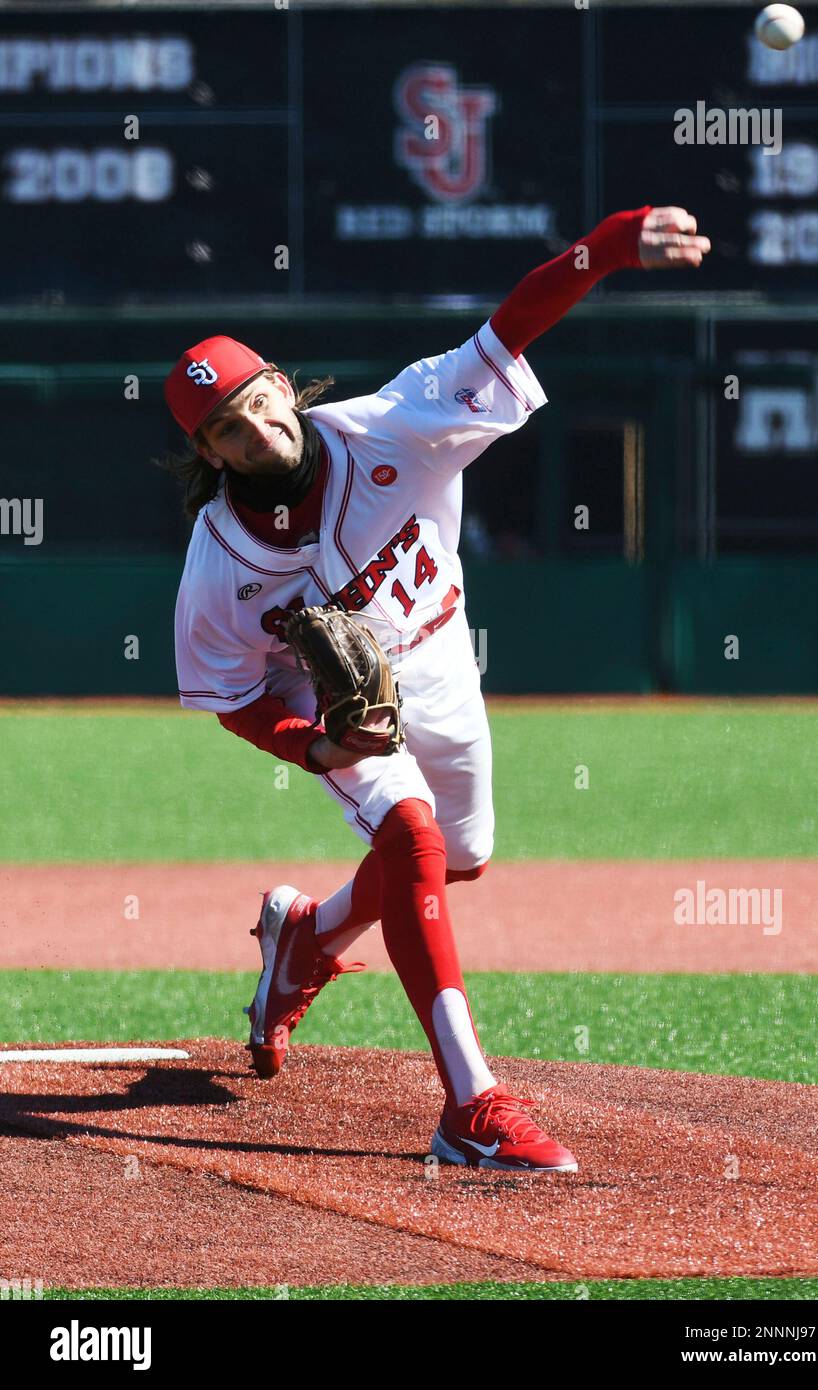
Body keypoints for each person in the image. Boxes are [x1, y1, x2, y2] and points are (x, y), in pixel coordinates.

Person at [162, 205, 709, 1172]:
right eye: (225, 428)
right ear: (210, 454)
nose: (252, 425)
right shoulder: (219, 566)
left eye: (256, 398)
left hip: (444, 659)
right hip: (353, 718)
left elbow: (514, 324)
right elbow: (231, 692)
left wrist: (617, 243)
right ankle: (470, 1103)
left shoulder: (400, 423)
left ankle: (308, 935)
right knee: (409, 835)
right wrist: (315, 745)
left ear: (284, 387)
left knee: (460, 857)